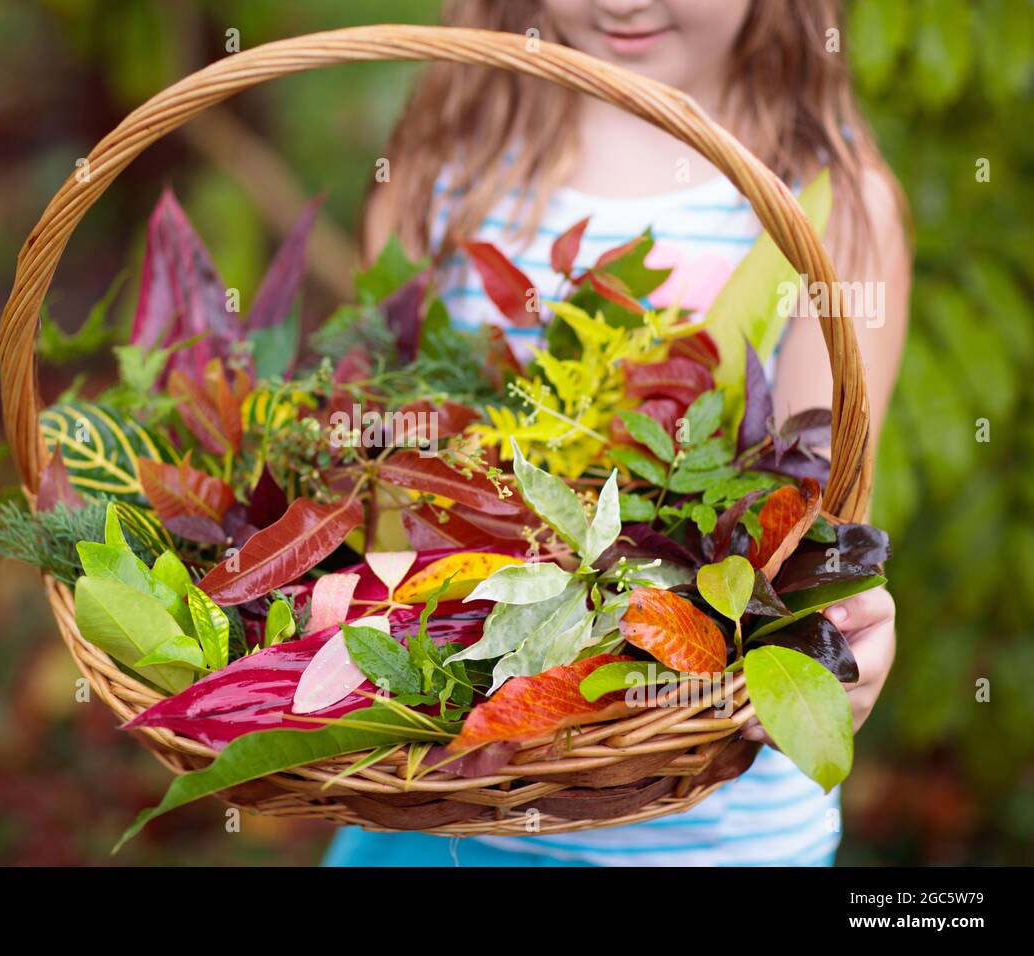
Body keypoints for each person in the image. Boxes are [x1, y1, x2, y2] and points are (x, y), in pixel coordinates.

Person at [325, 0, 908, 867]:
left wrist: (843, 633)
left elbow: (807, 521)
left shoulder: (832, 207)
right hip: (437, 803)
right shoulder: (443, 169)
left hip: (712, 841)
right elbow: (382, 461)